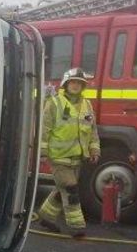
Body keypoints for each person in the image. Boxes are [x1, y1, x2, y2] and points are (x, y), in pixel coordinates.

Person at [38, 67, 100, 237]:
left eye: (79, 83)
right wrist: (42, 153)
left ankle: (46, 216)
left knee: (62, 189)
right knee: (71, 189)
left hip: (77, 158)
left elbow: (92, 131)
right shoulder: (54, 103)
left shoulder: (87, 105)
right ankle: (77, 227)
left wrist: (94, 149)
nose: (75, 85)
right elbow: (45, 129)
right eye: (72, 82)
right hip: (58, 157)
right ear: (66, 84)